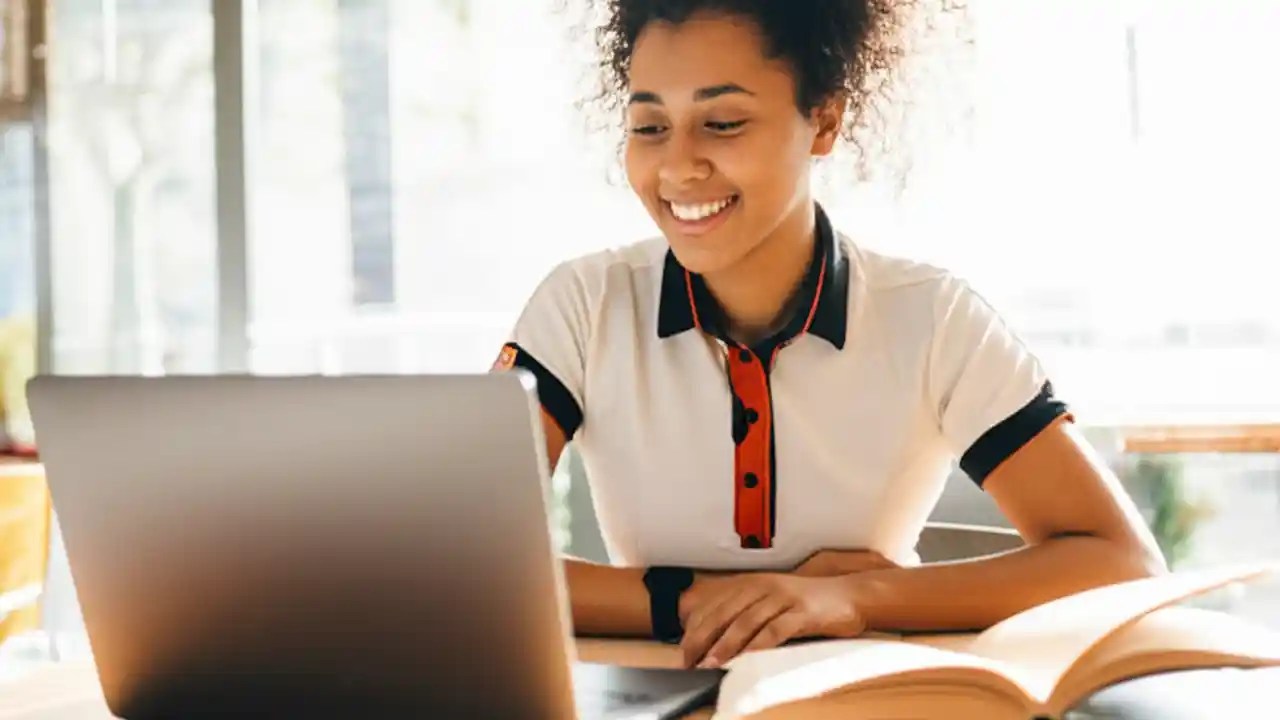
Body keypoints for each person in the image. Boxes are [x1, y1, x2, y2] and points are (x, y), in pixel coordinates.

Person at [493, 0, 1165, 670]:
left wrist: (857, 598)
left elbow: (1121, 561)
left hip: (870, 694)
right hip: (669, 692)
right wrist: (708, 600)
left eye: (722, 122)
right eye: (649, 126)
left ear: (823, 121)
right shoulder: (584, 304)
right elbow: (457, 557)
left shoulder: (933, 319)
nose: (677, 166)